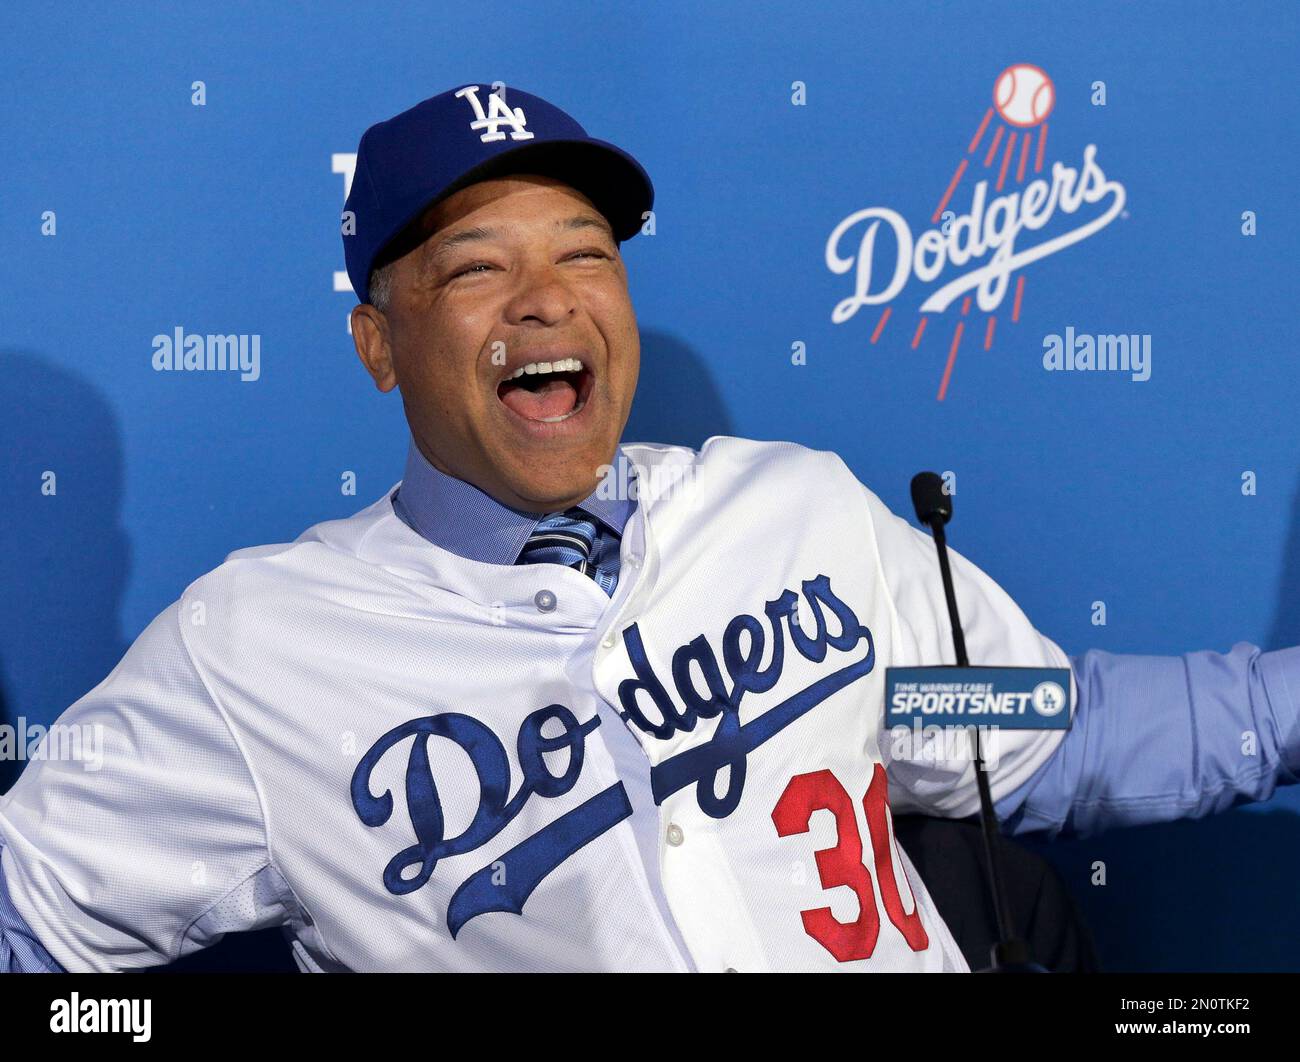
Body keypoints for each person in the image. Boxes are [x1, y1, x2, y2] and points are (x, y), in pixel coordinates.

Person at [1, 84, 1296, 973]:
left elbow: (1044, 730)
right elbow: (32, 914)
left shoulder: (790, 505)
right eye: (474, 268)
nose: (548, 301)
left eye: (587, 253)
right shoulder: (253, 648)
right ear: (378, 345)